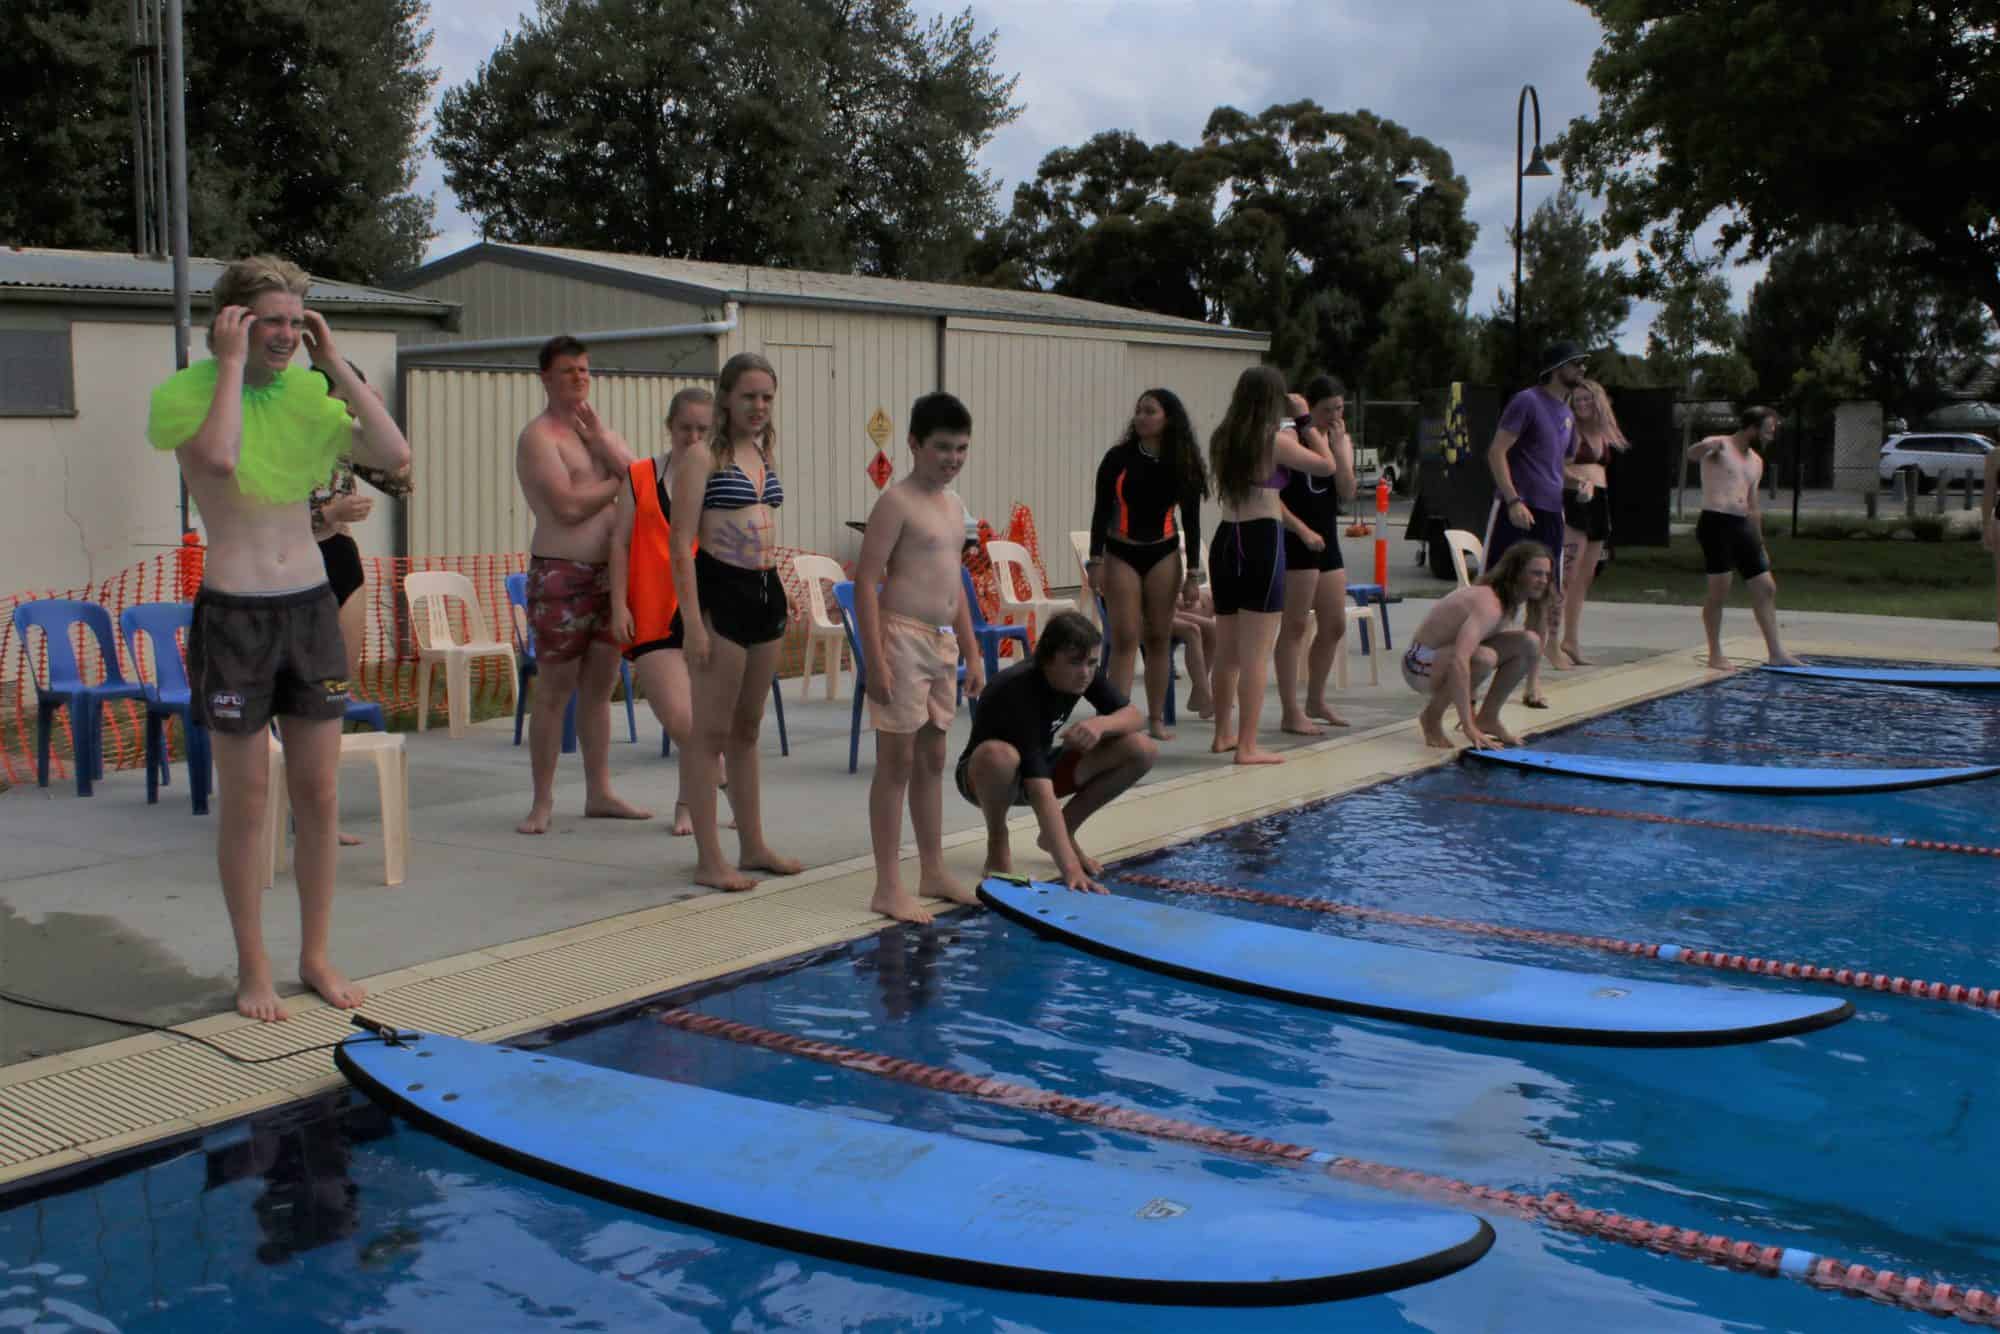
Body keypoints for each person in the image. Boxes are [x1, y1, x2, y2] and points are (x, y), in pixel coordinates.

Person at [146, 254, 411, 1022]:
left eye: (298, 324)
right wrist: (228, 364)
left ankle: (316, 953)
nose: (287, 336)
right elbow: (223, 458)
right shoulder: (191, 400)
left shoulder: (307, 396)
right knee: (248, 802)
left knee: (321, 795)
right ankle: (253, 965)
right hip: (236, 614)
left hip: (308, 607)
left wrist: (335, 364)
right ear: (234, 322)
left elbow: (393, 454)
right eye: (273, 322)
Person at [669, 351, 803, 891]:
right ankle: (709, 858)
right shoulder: (701, 457)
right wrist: (693, 624)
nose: (759, 406)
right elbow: (680, 545)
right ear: (725, 396)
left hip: (766, 593)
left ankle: (752, 845)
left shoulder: (764, 454)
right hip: (719, 593)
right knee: (711, 735)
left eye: (767, 397)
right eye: (748, 395)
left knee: (748, 731)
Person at [856, 392, 987, 923]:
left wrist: (973, 651)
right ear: (913, 444)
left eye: (960, 449)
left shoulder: (955, 505)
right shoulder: (895, 502)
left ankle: (931, 868)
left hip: (942, 641)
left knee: (934, 759)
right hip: (901, 636)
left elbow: (954, 581)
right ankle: (888, 885)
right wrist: (875, 661)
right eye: (941, 449)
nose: (952, 459)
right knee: (896, 764)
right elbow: (866, 583)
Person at [514, 335, 651, 835]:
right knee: (554, 691)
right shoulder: (539, 438)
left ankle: (600, 791)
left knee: (600, 690)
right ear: (546, 377)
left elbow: (645, 480)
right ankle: (542, 801)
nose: (579, 377)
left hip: (608, 574)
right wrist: (619, 483)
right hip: (562, 572)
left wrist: (605, 448)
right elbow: (568, 507)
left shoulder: (596, 433)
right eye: (569, 370)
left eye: (585, 370)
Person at [957, 610, 1155, 892]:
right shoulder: (1016, 690)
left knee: (1141, 748)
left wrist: (1102, 723)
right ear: (1047, 659)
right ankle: (998, 839)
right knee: (999, 756)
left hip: (1041, 767)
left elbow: (1135, 716)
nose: (1085, 672)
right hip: (984, 780)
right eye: (1075, 663)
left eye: (1091, 663)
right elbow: (1040, 791)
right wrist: (1071, 870)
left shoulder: (1083, 674)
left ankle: (1062, 833)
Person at [1206, 365, 1337, 764]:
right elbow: (1326, 466)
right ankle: (1247, 746)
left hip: (1226, 539)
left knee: (1227, 651)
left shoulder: (1223, 437)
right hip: (1260, 540)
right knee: (1256, 653)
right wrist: (1303, 420)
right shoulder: (1273, 440)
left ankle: (1223, 734)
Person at [308, 361, 413, 847]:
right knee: (298, 691)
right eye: (346, 395)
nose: (352, 405)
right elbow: (264, 516)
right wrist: (329, 511)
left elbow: (400, 474)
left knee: (335, 689)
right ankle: (293, 799)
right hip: (297, 561)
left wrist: (374, 414)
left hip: (341, 558)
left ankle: (321, 809)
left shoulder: (346, 438)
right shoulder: (294, 438)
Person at [608, 385, 713, 837]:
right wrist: (617, 604)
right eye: (685, 428)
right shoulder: (640, 475)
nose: (692, 437)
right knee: (683, 720)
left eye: (703, 430)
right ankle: (721, 774)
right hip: (652, 610)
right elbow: (620, 541)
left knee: (704, 717)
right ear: (669, 427)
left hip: (706, 610)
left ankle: (688, 803)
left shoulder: (722, 476)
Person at [1085, 388, 1209, 740]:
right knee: (1125, 637)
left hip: (1164, 553)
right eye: (1138, 410)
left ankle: (1155, 719)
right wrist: (1096, 560)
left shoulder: (1183, 462)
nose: (1141, 417)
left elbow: (1193, 521)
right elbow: (1100, 512)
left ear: (1167, 418)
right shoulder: (1117, 459)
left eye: (1150, 411)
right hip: (1121, 551)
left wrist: (1192, 575)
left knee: (1158, 638)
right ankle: (1117, 722)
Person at [1487, 339, 1585, 702]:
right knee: (1497, 594)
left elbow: (1556, 465)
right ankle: (1475, 673)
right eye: (1575, 364)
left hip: (1550, 512)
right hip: (1519, 509)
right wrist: (1513, 499)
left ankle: (1531, 683)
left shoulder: (1567, 413)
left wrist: (1577, 482)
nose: (1581, 371)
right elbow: (1497, 452)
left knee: (1543, 598)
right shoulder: (1527, 401)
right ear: (1556, 367)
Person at [1401, 542, 1551, 750]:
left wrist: (1533, 685)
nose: (1543, 581)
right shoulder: (1490, 605)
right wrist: (1468, 726)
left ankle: (1488, 718)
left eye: (1546, 574)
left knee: (1530, 642)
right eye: (1536, 574)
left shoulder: (1509, 601)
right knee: (1484, 658)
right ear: (1515, 573)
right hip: (1417, 663)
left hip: (1441, 657)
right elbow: (1460, 660)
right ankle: (1431, 718)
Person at [1274, 376, 1357, 733]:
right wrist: (1301, 530)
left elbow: (1349, 492)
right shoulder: (1289, 438)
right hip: (1297, 540)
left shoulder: (1340, 440)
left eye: (1340, 409)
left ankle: (1315, 699)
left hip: (1327, 543)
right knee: (1293, 627)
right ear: (1309, 407)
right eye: (1327, 410)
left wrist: (1339, 450)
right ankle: (1290, 710)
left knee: (1334, 624)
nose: (1335, 417)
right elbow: (1271, 500)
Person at [1690, 406, 1802, 670]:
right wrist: (1706, 445)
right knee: (1720, 592)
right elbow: (1692, 454)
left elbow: (1753, 505)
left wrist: (1759, 542)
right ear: (1752, 427)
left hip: (1742, 527)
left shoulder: (1756, 462)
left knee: (1766, 587)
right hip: (1715, 523)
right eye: (1768, 429)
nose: (1771, 435)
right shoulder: (1720, 446)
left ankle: (1776, 652)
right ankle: (1715, 654)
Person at [1555, 377, 1626, 666]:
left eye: (1587, 399)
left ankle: (1570, 640)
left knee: (1585, 578)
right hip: (1575, 500)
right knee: (1567, 577)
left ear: (1598, 402)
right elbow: (1554, 466)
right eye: (1578, 399)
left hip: (1600, 501)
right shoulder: (1568, 429)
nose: (1582, 404)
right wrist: (1579, 479)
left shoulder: (1603, 432)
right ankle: (1551, 640)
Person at [1983, 438, 2000, 652]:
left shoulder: (1995, 455)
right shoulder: (1995, 455)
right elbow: (1988, 494)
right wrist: (1986, 525)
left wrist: (1986, 524)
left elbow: (1988, 494)